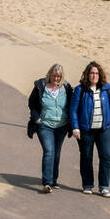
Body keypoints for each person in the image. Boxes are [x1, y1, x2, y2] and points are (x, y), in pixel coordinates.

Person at [69, 61, 110, 197]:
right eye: (92, 73)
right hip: (86, 130)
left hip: (104, 129)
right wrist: (75, 127)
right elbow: (73, 110)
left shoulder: (106, 88)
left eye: (96, 73)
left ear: (100, 75)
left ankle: (104, 187)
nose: (94, 76)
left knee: (106, 156)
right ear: (87, 75)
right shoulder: (80, 90)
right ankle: (87, 185)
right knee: (86, 157)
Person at [27, 64, 74, 193]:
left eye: (59, 76)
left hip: (62, 126)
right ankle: (47, 182)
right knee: (49, 151)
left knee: (56, 153)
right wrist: (36, 119)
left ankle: (53, 180)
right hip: (45, 125)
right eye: (54, 75)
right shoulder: (40, 86)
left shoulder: (67, 88)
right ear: (49, 75)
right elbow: (32, 103)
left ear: (62, 77)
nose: (56, 78)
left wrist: (72, 122)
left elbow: (72, 105)